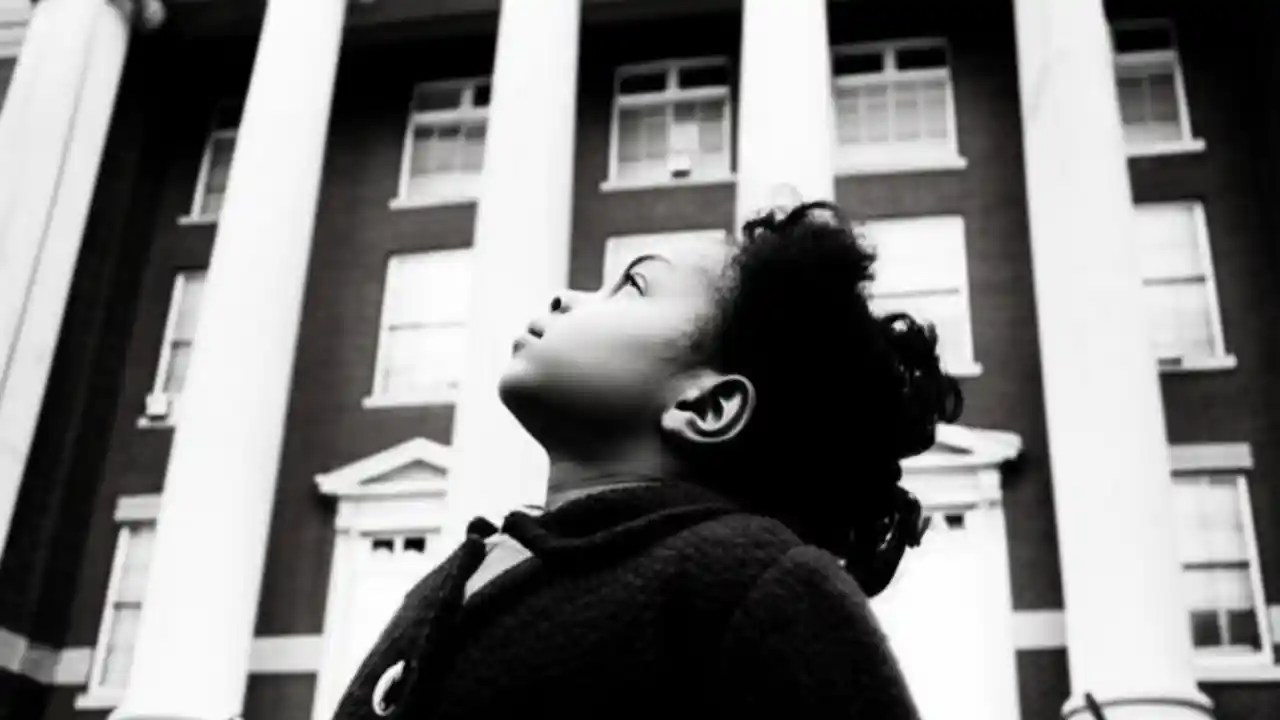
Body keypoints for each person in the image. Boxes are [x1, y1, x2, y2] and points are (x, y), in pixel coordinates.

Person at [330, 200, 963, 720]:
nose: (564, 297)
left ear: (706, 405)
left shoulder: (755, 578)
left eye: (632, 286)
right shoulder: (463, 569)